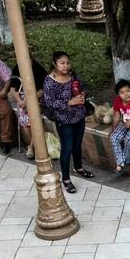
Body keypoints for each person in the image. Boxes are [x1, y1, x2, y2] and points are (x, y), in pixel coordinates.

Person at [42, 51, 93, 194]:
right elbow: (50, 102)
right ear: (55, 64)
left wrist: (82, 95)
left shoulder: (72, 75)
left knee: (77, 144)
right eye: (62, 63)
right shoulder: (50, 80)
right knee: (67, 147)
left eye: (67, 63)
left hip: (79, 115)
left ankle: (79, 167)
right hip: (64, 120)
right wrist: (69, 102)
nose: (65, 66)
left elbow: (82, 87)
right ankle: (66, 178)